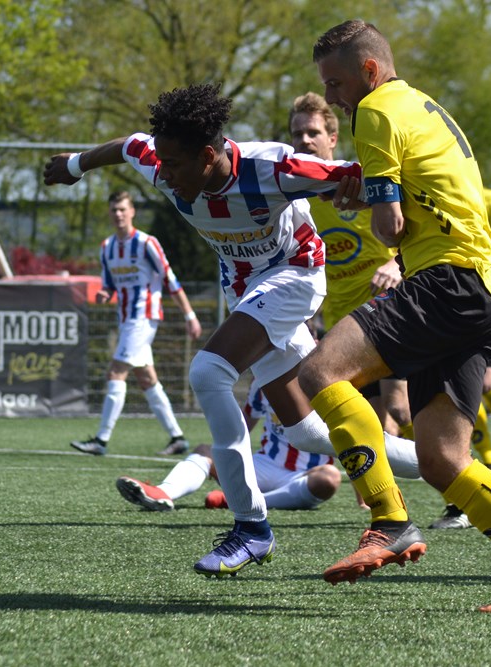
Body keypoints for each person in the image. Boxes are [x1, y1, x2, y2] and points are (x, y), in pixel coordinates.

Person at [299, 19, 491, 613]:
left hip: (445, 281)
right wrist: (372, 190)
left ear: (369, 71)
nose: (332, 96)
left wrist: (367, 201)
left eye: (335, 83)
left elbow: (389, 228)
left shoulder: (375, 110)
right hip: (481, 292)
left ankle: (388, 519)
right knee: (442, 459)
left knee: (320, 372)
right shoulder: (422, 106)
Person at [44, 82, 367, 577]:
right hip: (249, 293)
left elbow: (359, 178)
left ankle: (252, 529)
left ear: (208, 156)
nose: (164, 173)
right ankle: (441, 466)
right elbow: (128, 146)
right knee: (309, 433)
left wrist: (372, 198)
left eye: (174, 164)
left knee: (209, 371)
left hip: (295, 276)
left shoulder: (272, 168)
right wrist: (74, 166)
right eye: (162, 162)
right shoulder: (164, 163)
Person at [287, 92, 413, 438]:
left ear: (332, 138)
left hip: (387, 308)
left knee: (399, 408)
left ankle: (459, 460)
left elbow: (411, 230)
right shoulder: (293, 200)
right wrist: (307, 316)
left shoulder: (359, 181)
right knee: (372, 423)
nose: (304, 140)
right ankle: (407, 473)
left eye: (313, 132)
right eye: (297, 134)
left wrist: (396, 264)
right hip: (343, 323)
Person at [70, 191, 202, 457]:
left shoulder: (146, 243)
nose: (118, 214)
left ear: (132, 212)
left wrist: (189, 315)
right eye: (114, 210)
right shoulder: (107, 247)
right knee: (147, 379)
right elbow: (109, 284)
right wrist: (105, 292)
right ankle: (177, 437)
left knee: (115, 372)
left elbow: (170, 280)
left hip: (143, 316)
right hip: (126, 319)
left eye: (123, 209)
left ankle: (101, 440)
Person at [430, 188, 491, 529]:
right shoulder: (425, 189)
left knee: (486, 382)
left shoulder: (489, 198)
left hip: (480, 297)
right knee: (450, 395)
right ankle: (489, 466)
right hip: (436, 301)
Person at [116, 376, 341, 512]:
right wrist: (225, 460)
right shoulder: (264, 380)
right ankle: (163, 492)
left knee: (329, 478)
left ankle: (244, 501)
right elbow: (241, 428)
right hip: (264, 465)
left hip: (305, 475)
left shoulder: (332, 384)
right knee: (205, 451)